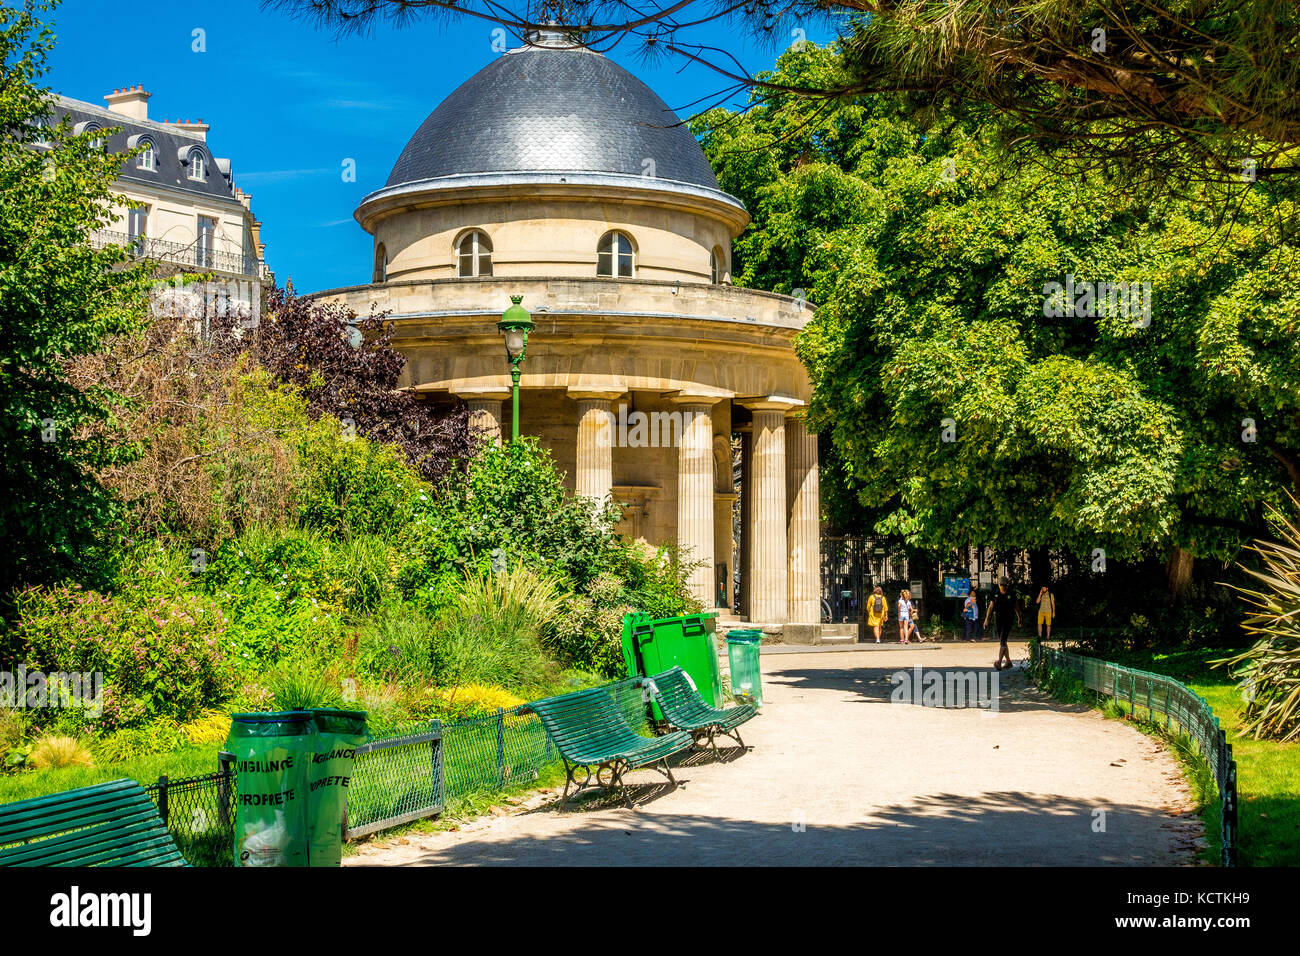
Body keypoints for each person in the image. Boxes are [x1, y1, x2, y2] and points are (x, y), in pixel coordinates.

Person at [984, 580, 1021, 670]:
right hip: (999, 619)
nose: (1003, 587)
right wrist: (986, 619)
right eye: (1002, 585)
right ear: (999, 585)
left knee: (1003, 641)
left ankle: (999, 662)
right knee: (1002, 640)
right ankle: (1008, 662)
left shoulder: (1011, 594)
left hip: (1008, 619)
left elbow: (1016, 607)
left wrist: (1020, 618)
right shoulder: (995, 593)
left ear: (1007, 585)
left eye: (1005, 585)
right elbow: (991, 606)